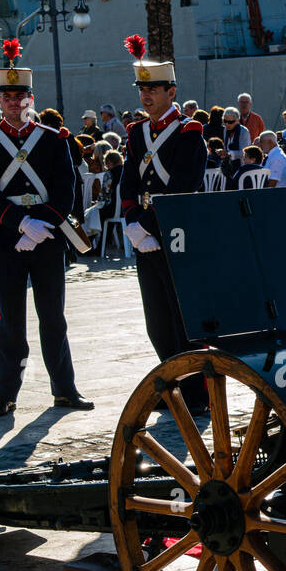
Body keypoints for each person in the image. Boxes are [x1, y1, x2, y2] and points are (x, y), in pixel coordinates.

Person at [0, 41, 92, 417]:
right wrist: (22, 223)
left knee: (53, 317)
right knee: (10, 322)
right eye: (6, 96)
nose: (13, 102)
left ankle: (64, 389)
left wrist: (43, 224)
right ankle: (6, 394)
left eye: (20, 95)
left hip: (49, 236)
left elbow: (66, 189)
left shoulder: (55, 139)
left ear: (31, 98)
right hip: (7, 238)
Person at [118, 36, 208, 409]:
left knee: (181, 317)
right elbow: (128, 182)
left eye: (153, 88)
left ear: (171, 91)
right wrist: (131, 222)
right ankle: (170, 388)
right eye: (142, 89)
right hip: (146, 233)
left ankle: (196, 393)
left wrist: (151, 225)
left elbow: (186, 185)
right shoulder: (137, 133)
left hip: (177, 232)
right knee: (156, 319)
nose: (146, 95)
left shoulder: (190, 133)